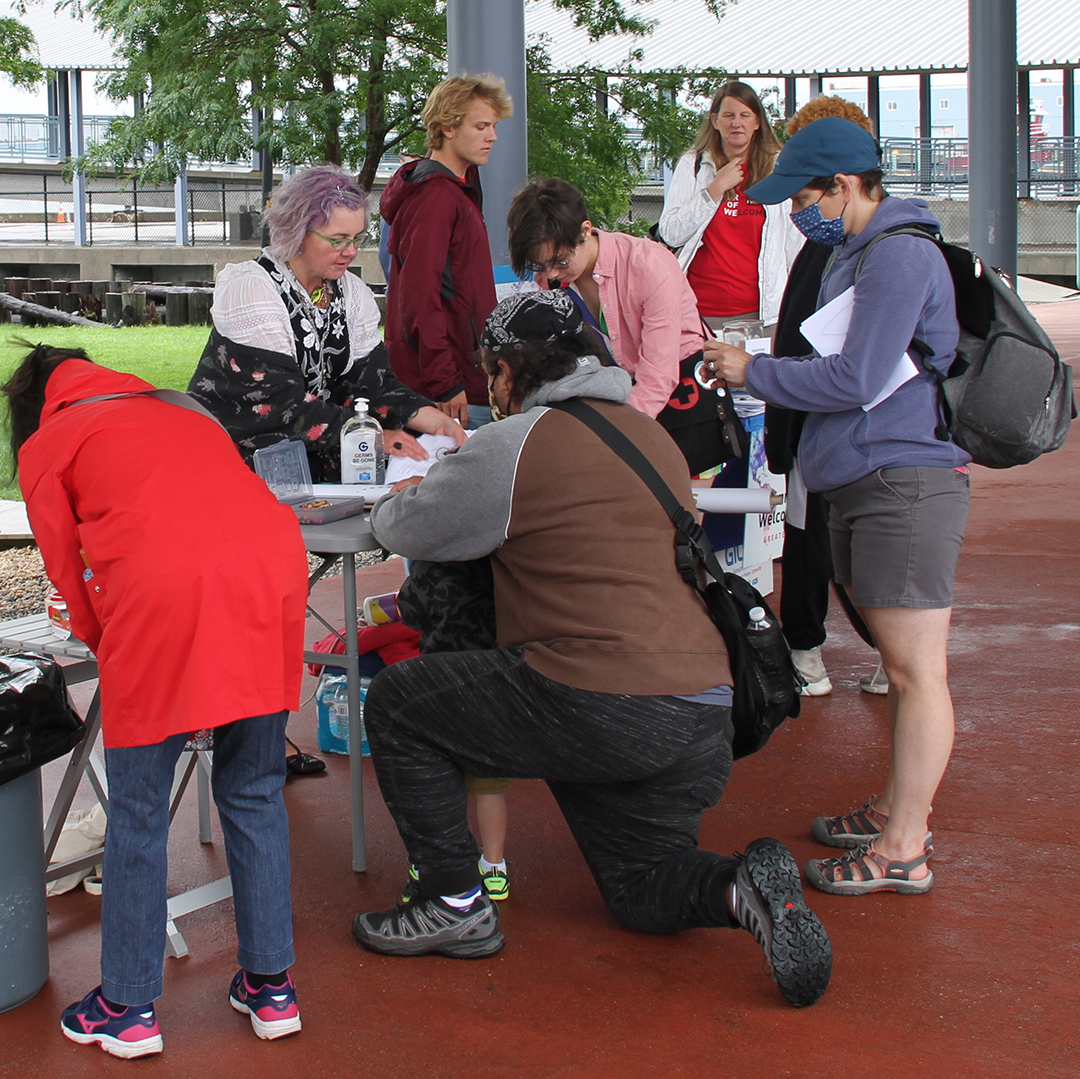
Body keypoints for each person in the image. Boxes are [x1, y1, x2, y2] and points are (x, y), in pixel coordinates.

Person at [349, 291, 832, 1010]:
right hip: (702, 707)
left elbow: (411, 528)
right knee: (642, 885)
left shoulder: (516, 442)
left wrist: (401, 495)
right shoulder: (648, 435)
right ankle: (740, 887)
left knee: (398, 703)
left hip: (598, 696)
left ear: (508, 372)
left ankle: (450, 899)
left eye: (490, 373)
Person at [4, 344, 309, 1058]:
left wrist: (102, 638)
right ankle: (271, 987)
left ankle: (127, 1004)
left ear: (32, 405)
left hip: (159, 601)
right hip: (269, 580)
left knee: (138, 810)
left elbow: (65, 571)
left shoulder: (53, 440)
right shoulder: (182, 409)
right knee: (255, 788)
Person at [705, 118, 971, 896]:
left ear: (845, 187)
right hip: (872, 476)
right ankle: (895, 813)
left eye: (803, 197)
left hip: (901, 480)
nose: (796, 213)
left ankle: (905, 845)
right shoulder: (863, 252)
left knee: (916, 671)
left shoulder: (896, 256)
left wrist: (755, 371)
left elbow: (856, 377)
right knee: (906, 666)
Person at [188, 165, 465, 479]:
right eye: (338, 240)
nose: (351, 251)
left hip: (307, 467)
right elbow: (278, 405)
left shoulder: (351, 293)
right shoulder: (254, 289)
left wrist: (437, 421)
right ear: (298, 232)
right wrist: (370, 436)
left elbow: (372, 385)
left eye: (357, 238)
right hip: (233, 466)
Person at [765, 97, 880, 697]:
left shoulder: (884, 251)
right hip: (847, 433)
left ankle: (812, 650)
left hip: (845, 429)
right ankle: (825, 648)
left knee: (823, 541)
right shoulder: (831, 246)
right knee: (839, 543)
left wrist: (775, 409)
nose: (796, 210)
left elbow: (804, 351)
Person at [381, 73, 513, 429]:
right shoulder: (436, 195)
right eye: (481, 126)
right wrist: (445, 381)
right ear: (448, 127)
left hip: (460, 377)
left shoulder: (456, 189)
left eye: (494, 126)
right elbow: (418, 297)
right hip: (448, 388)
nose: (492, 136)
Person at [657, 81, 802, 333]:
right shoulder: (694, 164)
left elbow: (794, 244)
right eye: (728, 115)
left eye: (745, 115)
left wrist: (795, 304)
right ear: (715, 121)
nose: (737, 123)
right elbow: (670, 233)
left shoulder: (778, 167)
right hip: (699, 311)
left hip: (762, 315)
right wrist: (713, 190)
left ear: (757, 122)